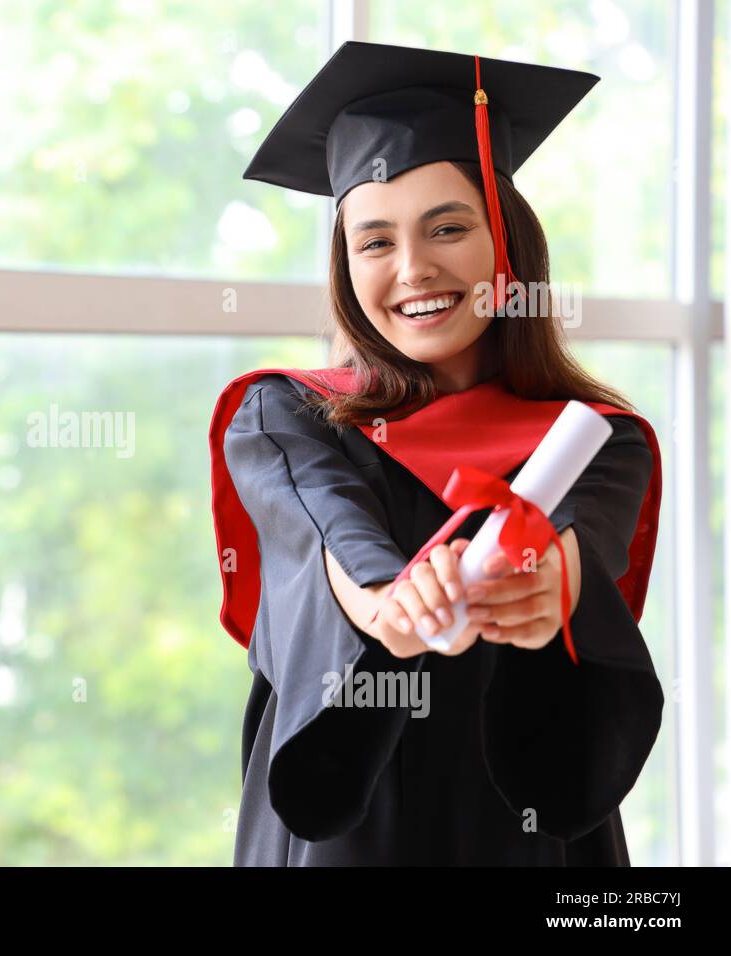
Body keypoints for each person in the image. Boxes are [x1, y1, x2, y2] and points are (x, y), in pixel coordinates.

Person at [208, 41, 664, 865]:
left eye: (448, 227)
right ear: (347, 267)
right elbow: (325, 529)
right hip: (350, 835)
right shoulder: (286, 413)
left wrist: (551, 584)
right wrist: (389, 600)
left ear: (507, 245)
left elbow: (579, 542)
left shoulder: (595, 438)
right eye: (374, 241)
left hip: (520, 837)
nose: (414, 268)